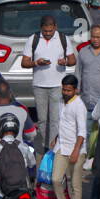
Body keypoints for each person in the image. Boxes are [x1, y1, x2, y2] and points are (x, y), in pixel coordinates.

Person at [20, 15, 76, 151]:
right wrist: (36, 63)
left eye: (50, 31)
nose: (48, 34)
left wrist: (65, 62)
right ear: (41, 28)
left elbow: (73, 60)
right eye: (45, 31)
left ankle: (54, 147)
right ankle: (45, 146)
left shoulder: (63, 39)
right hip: (39, 86)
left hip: (57, 85)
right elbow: (24, 63)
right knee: (42, 120)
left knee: (55, 119)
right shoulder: (33, 39)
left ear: (55, 27)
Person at [51, 75, 87, 199]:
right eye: (64, 90)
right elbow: (62, 122)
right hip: (61, 146)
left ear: (75, 90)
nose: (65, 93)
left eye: (68, 90)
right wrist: (56, 138)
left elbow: (82, 131)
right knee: (55, 179)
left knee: (75, 185)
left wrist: (76, 151)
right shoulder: (61, 101)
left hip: (76, 149)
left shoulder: (79, 106)